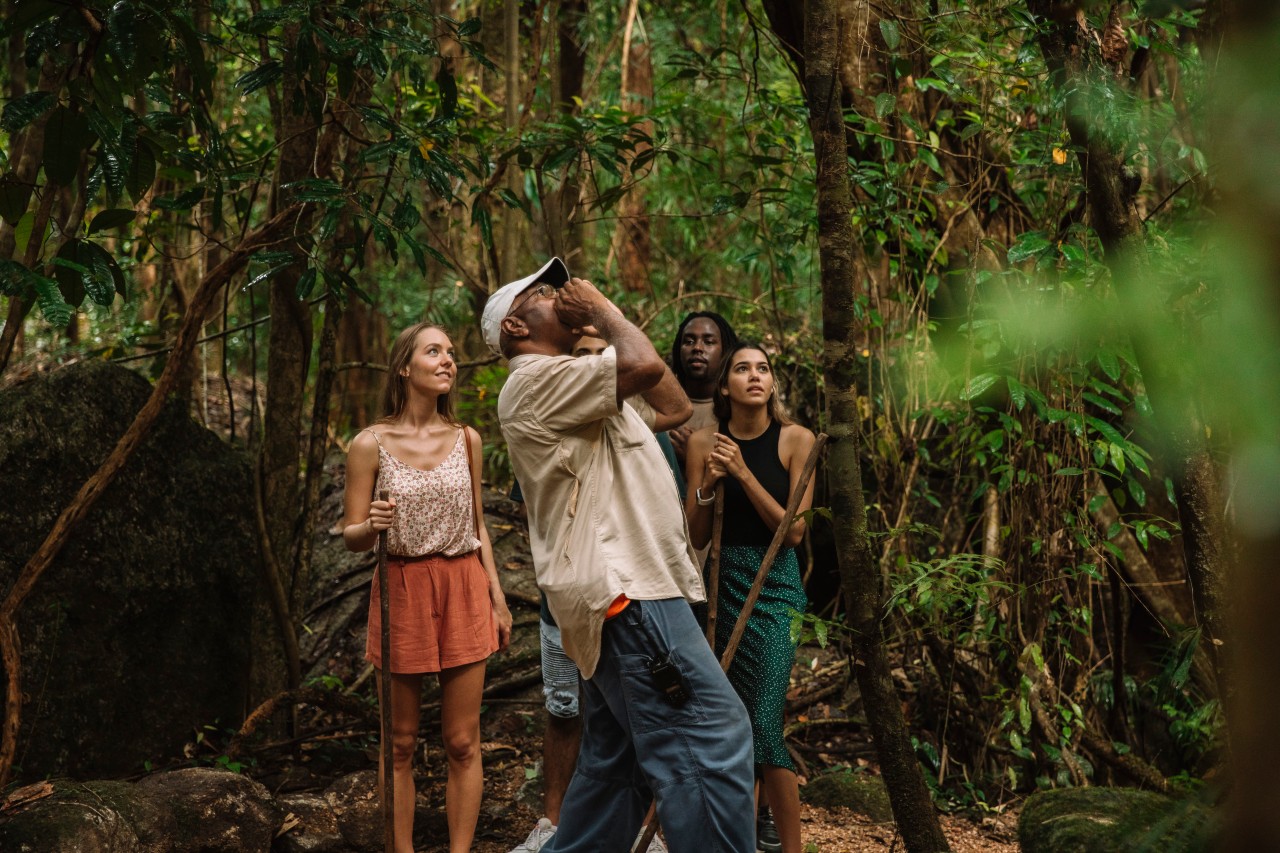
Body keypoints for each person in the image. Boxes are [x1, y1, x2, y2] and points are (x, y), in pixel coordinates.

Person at [482, 257, 757, 853]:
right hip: (626, 591)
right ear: (514, 327)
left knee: (617, 768)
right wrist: (604, 311)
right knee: (711, 736)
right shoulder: (533, 382)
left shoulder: (578, 381)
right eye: (541, 293)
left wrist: (602, 329)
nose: (559, 294)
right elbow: (643, 363)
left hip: (628, 590)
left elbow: (675, 404)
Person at [342, 322, 514, 853]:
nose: (447, 361)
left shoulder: (468, 439)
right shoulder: (369, 444)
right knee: (399, 744)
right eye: (433, 351)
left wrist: (498, 596)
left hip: (463, 584)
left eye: (451, 353)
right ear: (404, 367)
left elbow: (479, 524)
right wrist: (371, 525)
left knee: (462, 741)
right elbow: (351, 537)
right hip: (402, 587)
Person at [510, 335, 666, 853]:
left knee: (625, 725)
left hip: (632, 597)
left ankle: (642, 831)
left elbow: (674, 402)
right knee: (566, 710)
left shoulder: (630, 422)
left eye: (603, 354)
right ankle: (555, 825)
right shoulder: (549, 412)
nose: (594, 362)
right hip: (571, 598)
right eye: (581, 355)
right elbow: (538, 509)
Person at [683, 342, 817, 853]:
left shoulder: (795, 440)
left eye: (763, 369)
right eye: (742, 369)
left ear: (773, 383)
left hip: (777, 585)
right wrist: (710, 486)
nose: (754, 377)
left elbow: (795, 534)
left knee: (763, 721)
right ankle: (739, 839)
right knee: (731, 723)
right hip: (722, 586)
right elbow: (694, 536)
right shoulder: (702, 443)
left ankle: (790, 847)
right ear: (724, 386)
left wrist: (742, 472)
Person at [665, 311, 738, 472]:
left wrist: (693, 455)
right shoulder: (660, 405)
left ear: (725, 351)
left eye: (709, 342)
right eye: (689, 341)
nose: (697, 348)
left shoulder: (737, 410)